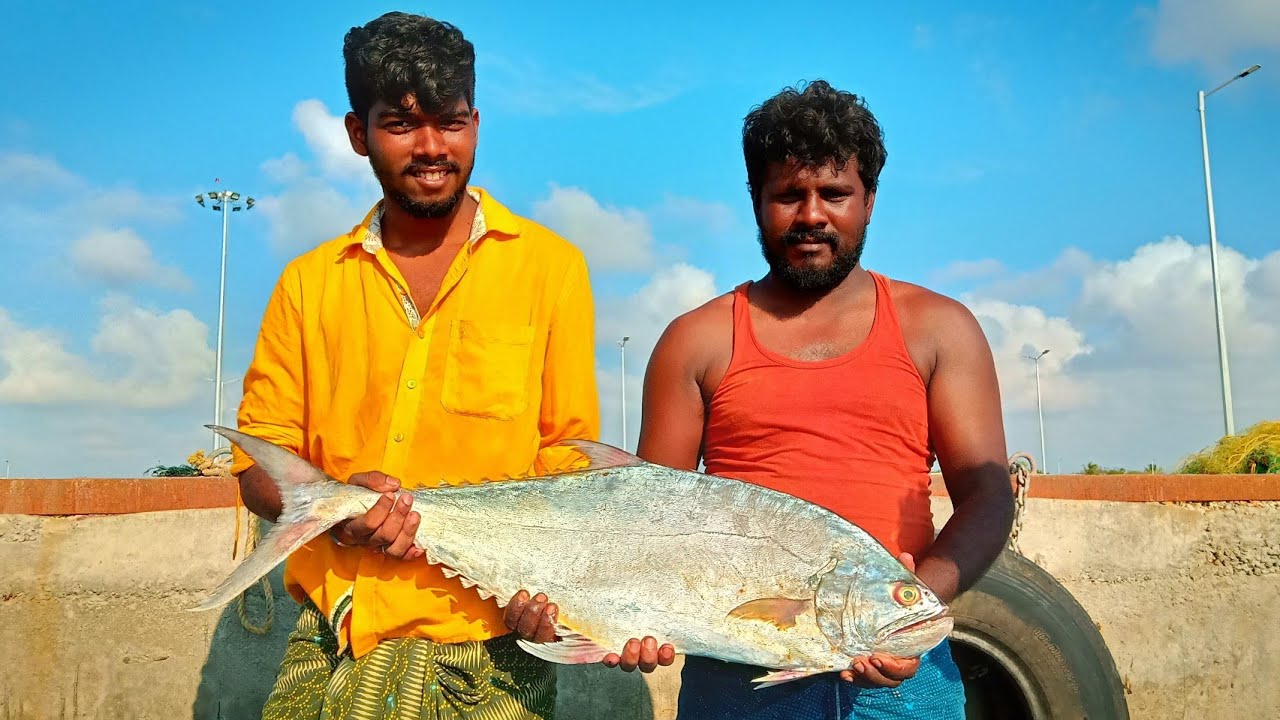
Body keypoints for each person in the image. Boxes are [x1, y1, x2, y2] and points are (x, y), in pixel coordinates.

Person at [230, 12, 656, 719]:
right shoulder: (309, 283)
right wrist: (340, 511)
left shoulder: (550, 269)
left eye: (451, 122)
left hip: (490, 646)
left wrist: (556, 591)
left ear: (477, 123)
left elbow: (565, 461)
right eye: (401, 125)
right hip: (338, 636)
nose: (432, 147)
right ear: (358, 134)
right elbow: (256, 466)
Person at [636, 80, 1015, 718]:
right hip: (738, 676)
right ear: (756, 201)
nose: (811, 215)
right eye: (789, 194)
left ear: (868, 200)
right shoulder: (695, 341)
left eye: (834, 193)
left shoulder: (938, 328)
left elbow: (987, 493)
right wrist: (627, 613)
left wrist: (908, 606)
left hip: (903, 682)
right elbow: (650, 518)